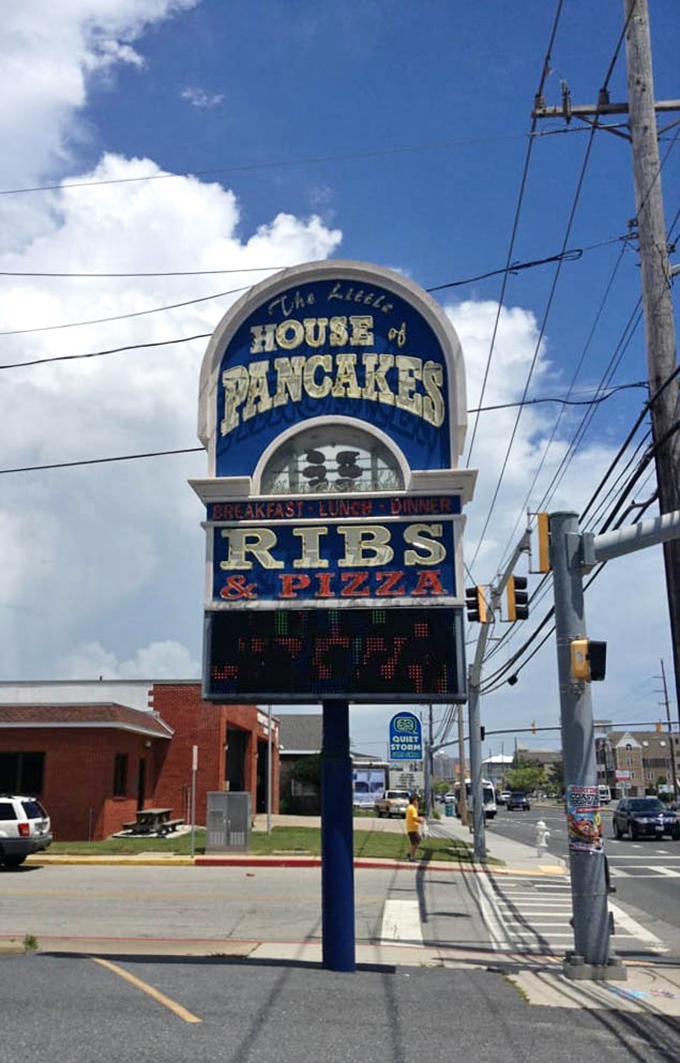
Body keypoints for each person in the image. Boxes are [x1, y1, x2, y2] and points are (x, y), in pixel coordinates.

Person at [405, 793, 424, 861]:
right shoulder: (412, 809)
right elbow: (414, 818)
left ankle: (410, 853)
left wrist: (417, 807)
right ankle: (411, 857)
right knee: (415, 842)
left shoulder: (410, 807)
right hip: (412, 829)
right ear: (414, 801)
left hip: (411, 828)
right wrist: (421, 820)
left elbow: (415, 815)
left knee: (415, 841)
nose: (417, 802)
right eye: (416, 800)